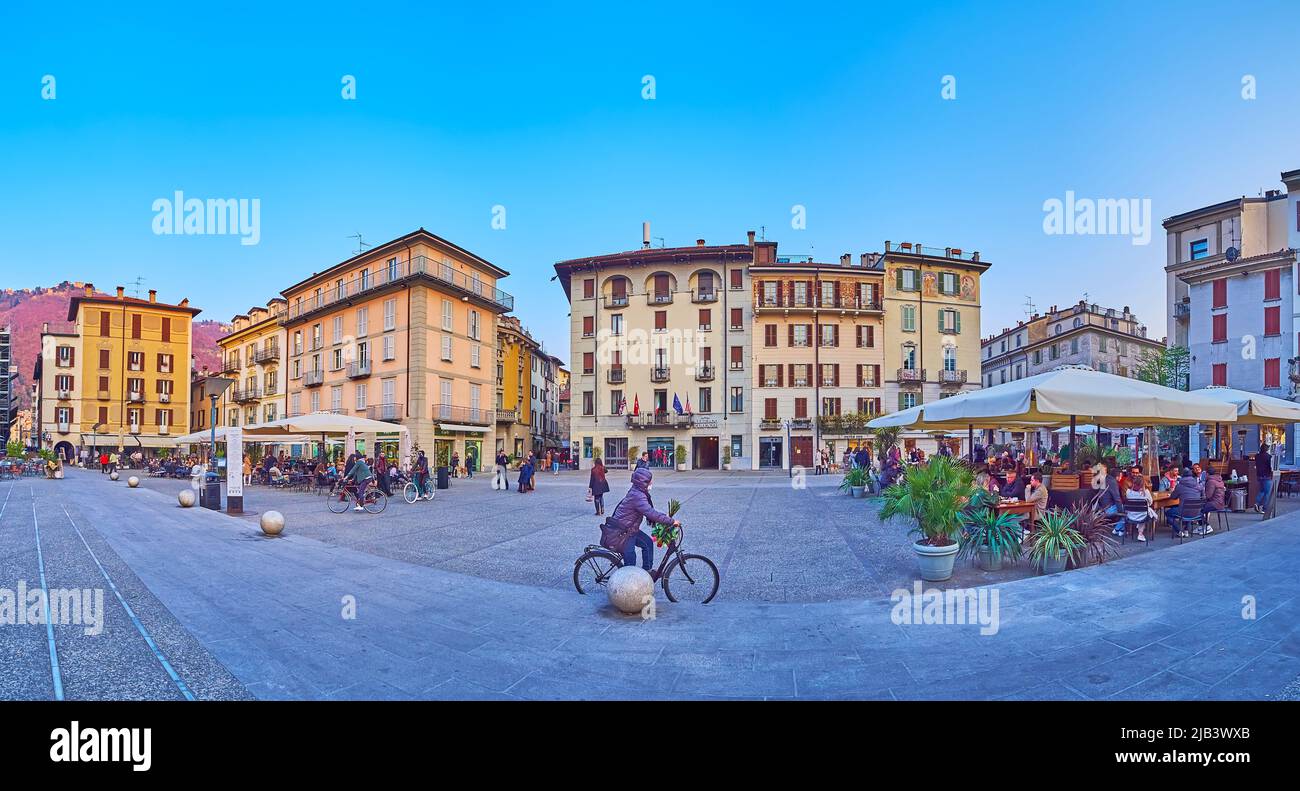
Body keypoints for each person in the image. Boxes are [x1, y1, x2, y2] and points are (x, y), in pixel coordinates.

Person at [601, 467, 678, 579]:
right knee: (630, 562)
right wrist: (671, 521)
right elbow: (650, 512)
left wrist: (664, 517)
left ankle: (647, 572)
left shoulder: (638, 491)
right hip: (622, 532)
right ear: (642, 482)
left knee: (647, 543)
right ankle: (626, 585)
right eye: (649, 481)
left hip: (630, 529)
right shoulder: (637, 495)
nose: (651, 483)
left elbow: (650, 511)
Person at [1169, 467, 1204, 538]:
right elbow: (1203, 496)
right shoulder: (1198, 485)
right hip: (1197, 511)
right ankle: (1186, 531)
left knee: (1168, 513)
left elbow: (1173, 497)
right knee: (1188, 509)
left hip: (1184, 511)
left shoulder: (1180, 486)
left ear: (1182, 476)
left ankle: (1179, 530)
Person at [1123, 473, 1155, 543]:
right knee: (1146, 512)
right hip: (1142, 515)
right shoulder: (1146, 492)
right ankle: (1140, 533)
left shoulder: (1128, 492)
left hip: (1130, 515)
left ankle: (1140, 532)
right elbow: (1150, 503)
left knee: (1143, 511)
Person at [1255, 443, 1273, 514]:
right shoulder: (1268, 456)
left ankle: (1257, 503)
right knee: (1267, 492)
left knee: (1262, 491)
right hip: (1267, 475)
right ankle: (1264, 508)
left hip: (1259, 475)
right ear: (1267, 449)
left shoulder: (1257, 456)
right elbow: (1270, 466)